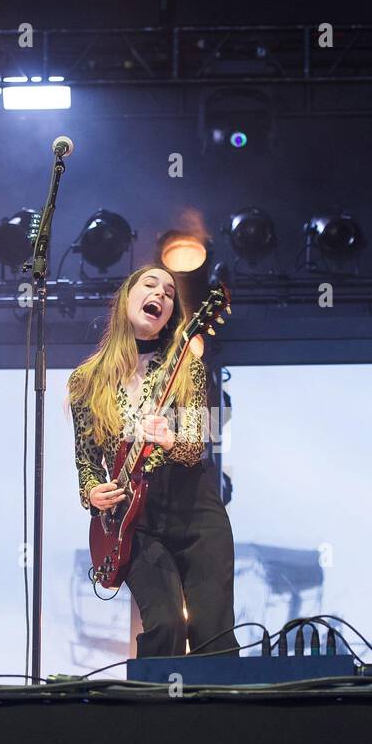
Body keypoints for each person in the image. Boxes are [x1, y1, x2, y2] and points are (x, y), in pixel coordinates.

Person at [69, 265, 235, 658]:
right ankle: (153, 717)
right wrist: (92, 492)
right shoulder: (86, 381)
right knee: (166, 625)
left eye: (170, 292)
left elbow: (197, 444)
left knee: (213, 633)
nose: (161, 294)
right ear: (126, 298)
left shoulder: (187, 367)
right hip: (138, 521)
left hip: (196, 512)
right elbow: (87, 459)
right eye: (150, 285)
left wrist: (173, 438)